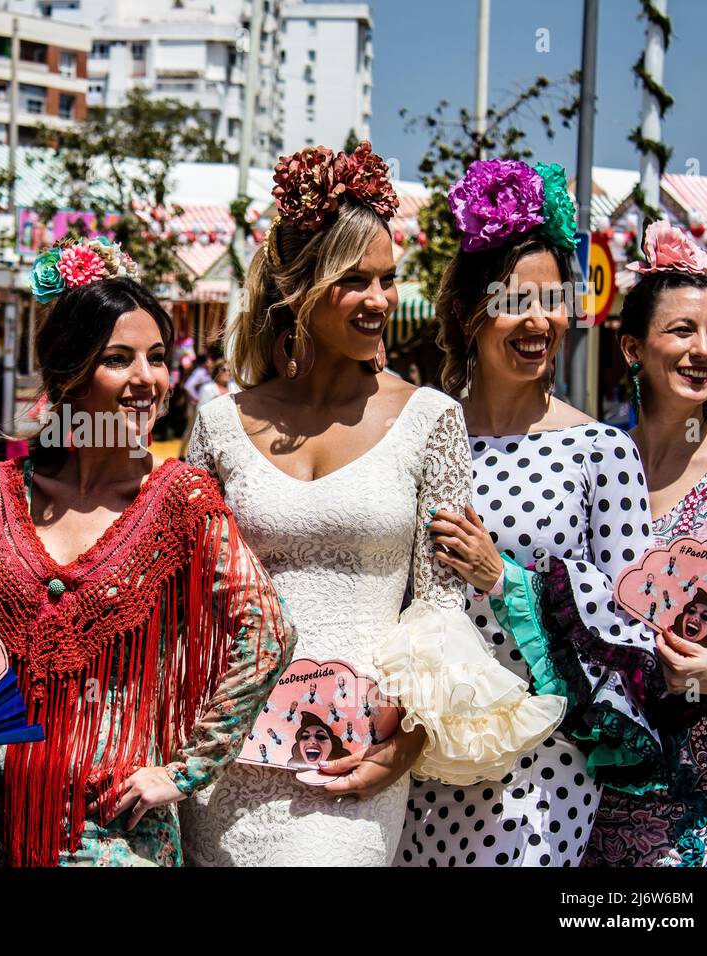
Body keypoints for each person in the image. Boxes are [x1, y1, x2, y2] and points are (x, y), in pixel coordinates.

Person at [178, 142, 563, 867]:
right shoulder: (218, 423)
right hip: (226, 755)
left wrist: (410, 740)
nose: (382, 300)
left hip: (360, 753)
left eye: (388, 280)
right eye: (356, 281)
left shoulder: (431, 420)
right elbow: (194, 597)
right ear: (300, 288)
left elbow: (440, 606)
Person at [0, 236, 293, 867]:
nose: (148, 381)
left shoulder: (180, 499)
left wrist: (186, 769)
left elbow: (267, 633)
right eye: (120, 359)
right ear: (69, 373)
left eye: (158, 358)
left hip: (115, 838)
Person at [396, 159, 666, 867]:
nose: (541, 319)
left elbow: (633, 629)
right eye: (518, 299)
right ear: (469, 312)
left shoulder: (600, 450)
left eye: (554, 299)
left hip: (544, 760)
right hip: (420, 751)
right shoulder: (421, 433)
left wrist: (504, 578)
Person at [585, 221, 707, 867]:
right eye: (682, 330)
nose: (703, 350)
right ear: (631, 347)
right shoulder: (587, 462)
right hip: (592, 799)